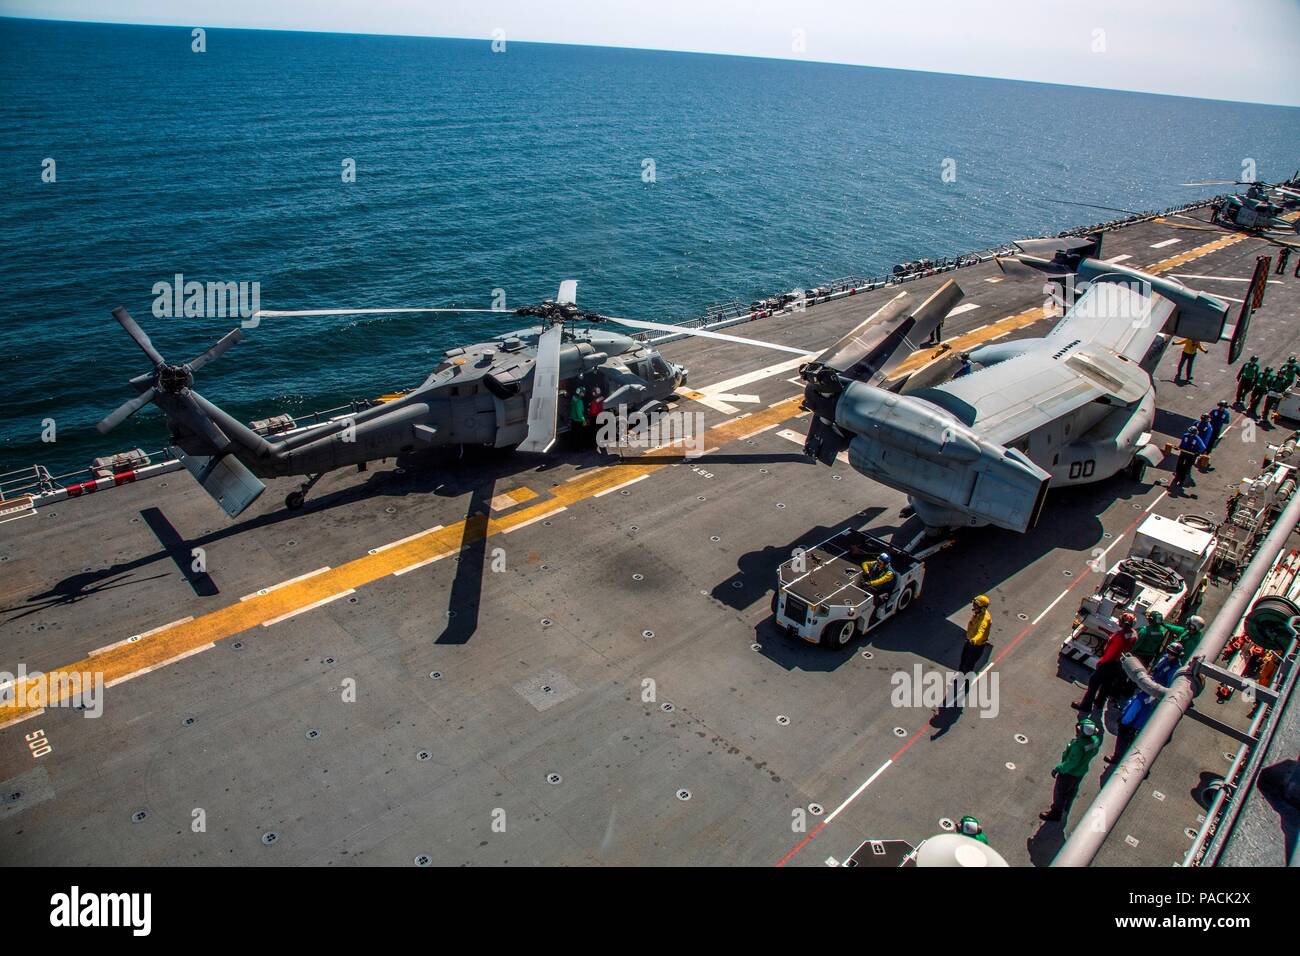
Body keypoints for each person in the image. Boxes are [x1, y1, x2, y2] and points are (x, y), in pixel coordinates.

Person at [1104, 642, 1183, 765]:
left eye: (1172, 654)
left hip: (1151, 699)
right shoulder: (1164, 659)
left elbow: (1167, 689)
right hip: (1146, 691)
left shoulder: (1174, 670)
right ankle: (1120, 754)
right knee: (1126, 726)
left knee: (1128, 730)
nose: (1169, 655)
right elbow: (1153, 672)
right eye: (1168, 651)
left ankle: (1120, 757)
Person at [1039, 718, 1103, 823]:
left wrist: (1058, 768)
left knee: (1060, 792)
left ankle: (1056, 813)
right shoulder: (1095, 741)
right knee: (1072, 790)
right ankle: (1066, 806)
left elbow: (1071, 763)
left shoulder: (1078, 746)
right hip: (1081, 771)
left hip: (1069, 773)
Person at [1073, 612, 1137, 712]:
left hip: (1108, 663)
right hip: (1119, 664)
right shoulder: (1133, 635)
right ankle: (1099, 703)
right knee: (1107, 684)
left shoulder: (1119, 637)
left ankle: (1086, 705)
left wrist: (1101, 662)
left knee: (1094, 683)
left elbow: (1112, 652)